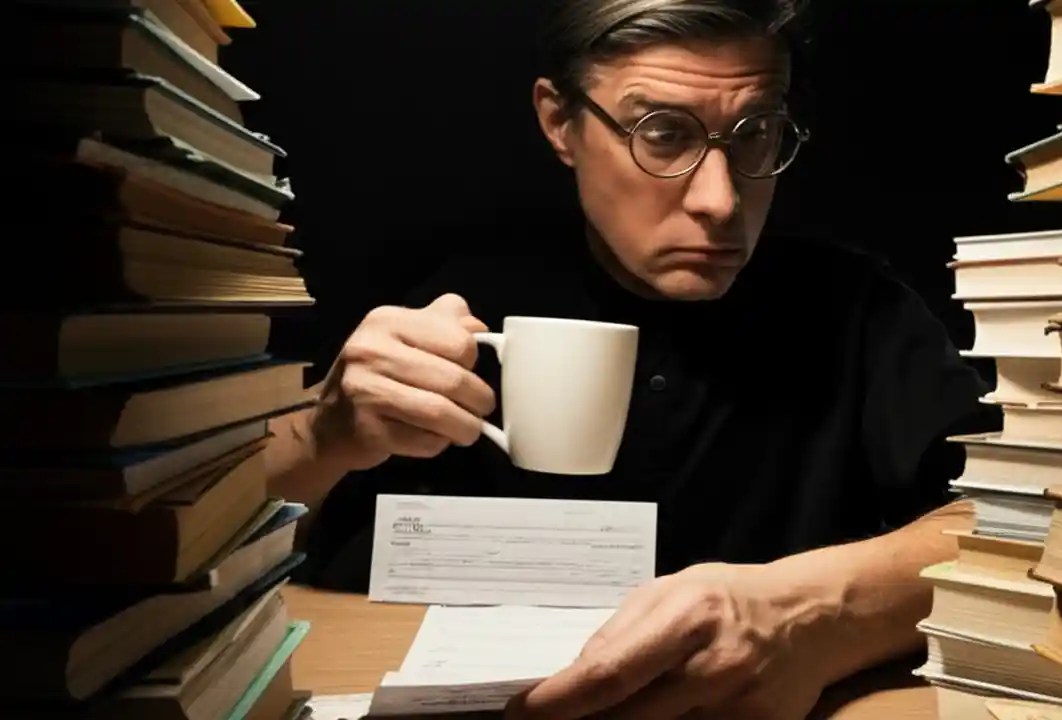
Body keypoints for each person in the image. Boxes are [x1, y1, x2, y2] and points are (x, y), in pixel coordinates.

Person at [267, 0, 992, 717]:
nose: (719, 199)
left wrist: (817, 612)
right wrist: (322, 439)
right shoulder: (455, 308)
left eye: (756, 134)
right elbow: (207, 547)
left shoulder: (859, 313)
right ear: (560, 123)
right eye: (663, 133)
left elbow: (1012, 526)